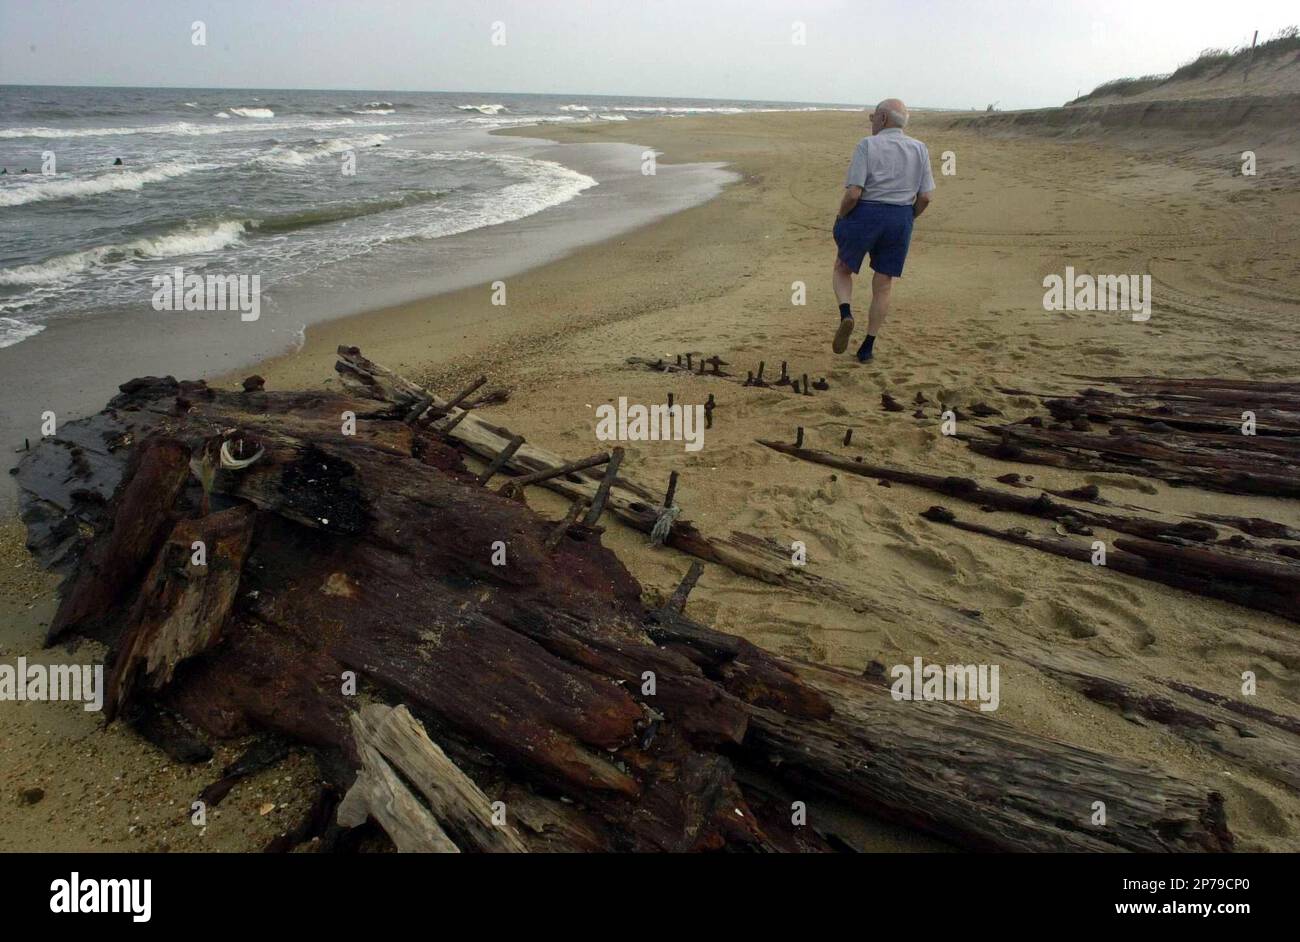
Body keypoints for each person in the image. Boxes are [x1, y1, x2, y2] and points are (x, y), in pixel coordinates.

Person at [832, 98, 935, 362]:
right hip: (900, 216)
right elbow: (925, 197)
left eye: (873, 117)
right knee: (883, 284)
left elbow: (854, 193)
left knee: (843, 267)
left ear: (883, 119)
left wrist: (841, 215)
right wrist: (908, 217)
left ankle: (846, 314)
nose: (872, 121)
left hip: (866, 213)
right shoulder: (920, 148)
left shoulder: (867, 145)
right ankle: (868, 345)